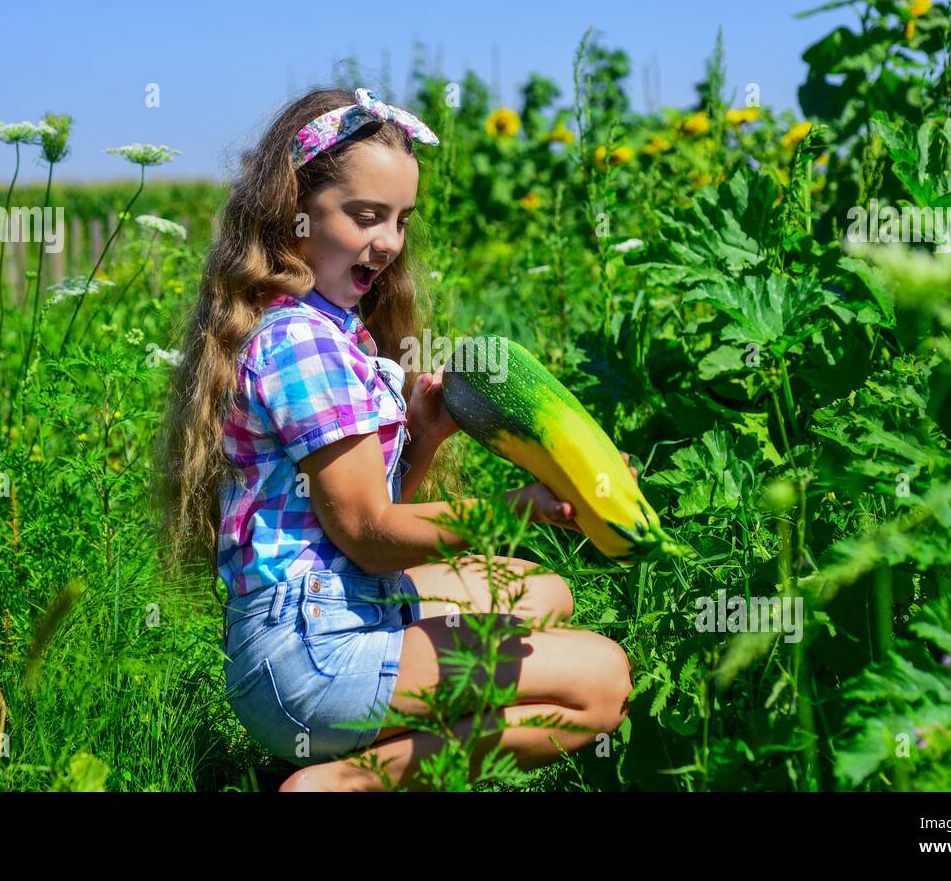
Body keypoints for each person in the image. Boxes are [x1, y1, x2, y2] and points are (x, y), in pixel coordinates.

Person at [155, 87, 633, 791]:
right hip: (308, 657)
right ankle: (346, 781)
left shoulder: (326, 329)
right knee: (601, 682)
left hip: (327, 608)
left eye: (401, 220)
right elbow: (369, 536)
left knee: (543, 592)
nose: (389, 242)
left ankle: (376, 731)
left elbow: (353, 523)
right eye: (366, 216)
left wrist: (421, 440)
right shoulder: (300, 345)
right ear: (293, 212)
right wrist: (517, 509)